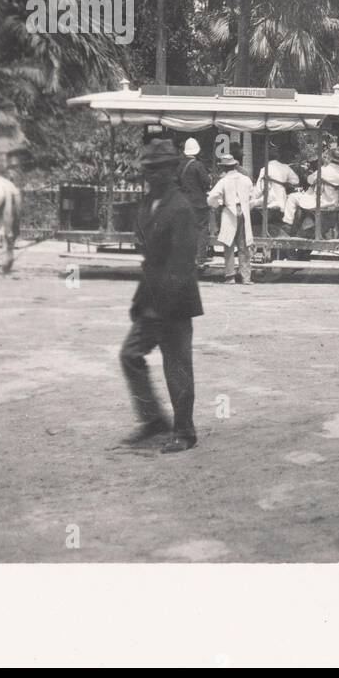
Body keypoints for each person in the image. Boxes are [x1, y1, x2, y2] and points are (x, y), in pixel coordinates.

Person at [119, 139, 203, 453]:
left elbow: (181, 265)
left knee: (177, 366)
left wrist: (162, 307)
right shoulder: (147, 205)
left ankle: (185, 433)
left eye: (160, 169)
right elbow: (150, 261)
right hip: (151, 299)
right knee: (130, 356)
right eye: (149, 169)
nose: (153, 175)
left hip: (176, 302)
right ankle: (154, 420)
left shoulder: (180, 208)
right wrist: (141, 303)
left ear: (172, 171)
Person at [207, 152, 256, 285]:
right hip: (244, 212)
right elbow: (253, 197)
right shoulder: (246, 179)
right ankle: (246, 277)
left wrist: (218, 203)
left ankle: (230, 276)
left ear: (223, 168)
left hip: (229, 212)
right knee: (244, 245)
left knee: (228, 245)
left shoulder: (223, 181)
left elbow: (212, 197)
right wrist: (246, 206)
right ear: (235, 166)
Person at [287, 145, 339, 238]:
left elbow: (309, 180)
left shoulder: (322, 170)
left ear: (331, 159)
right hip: (332, 204)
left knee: (292, 197)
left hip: (316, 202)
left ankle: (289, 225)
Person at [178, 138, 212, 271]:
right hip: (199, 205)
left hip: (183, 204)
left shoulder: (179, 166)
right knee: (202, 230)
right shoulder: (198, 165)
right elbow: (206, 183)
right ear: (197, 151)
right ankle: (200, 259)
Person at [254, 144, 299, 237]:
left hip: (268, 204)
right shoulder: (286, 168)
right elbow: (296, 181)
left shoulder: (265, 168)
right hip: (281, 204)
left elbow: (259, 190)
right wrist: (285, 183)